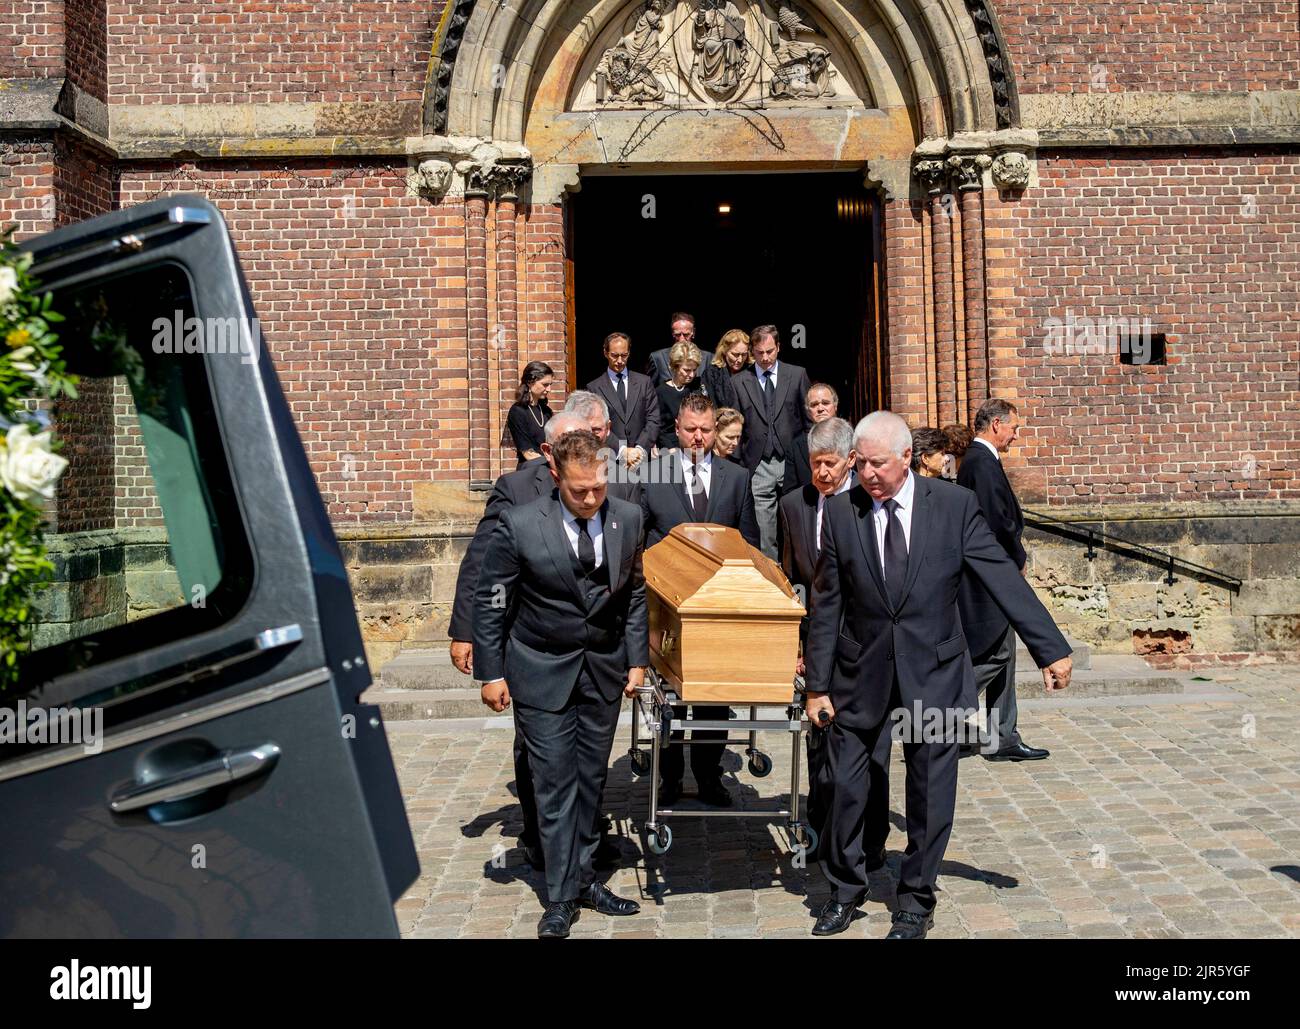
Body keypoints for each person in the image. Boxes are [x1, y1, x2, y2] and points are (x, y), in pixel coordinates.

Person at [803, 411, 1073, 939]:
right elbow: (826, 603)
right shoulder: (841, 514)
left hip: (936, 672)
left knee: (929, 793)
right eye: (861, 464)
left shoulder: (953, 507)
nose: (867, 474)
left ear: (907, 458)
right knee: (847, 788)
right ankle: (845, 890)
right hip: (861, 673)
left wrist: (1049, 648)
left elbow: (999, 575)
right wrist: (817, 684)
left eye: (878, 463)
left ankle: (914, 901)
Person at [448, 396, 637, 871]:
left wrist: (637, 656)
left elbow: (631, 583)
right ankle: (546, 851)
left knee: (586, 772)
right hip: (535, 652)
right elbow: (483, 568)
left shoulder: (618, 505)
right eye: (580, 439)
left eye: (597, 437)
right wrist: (469, 637)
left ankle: (583, 861)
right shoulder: (515, 492)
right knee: (542, 766)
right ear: (551, 454)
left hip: (596, 663)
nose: (590, 495)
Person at [474, 429, 647, 939]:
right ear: (556, 478)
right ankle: (562, 894)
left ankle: (588, 876)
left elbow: (634, 594)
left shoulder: (628, 519)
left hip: (602, 671)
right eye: (579, 491)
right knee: (553, 783)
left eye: (598, 488)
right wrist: (491, 671)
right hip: (539, 669)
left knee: (591, 781)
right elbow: (493, 599)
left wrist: (637, 660)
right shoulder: (521, 524)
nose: (591, 499)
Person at [639, 393, 760, 807]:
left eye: (706, 430)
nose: (698, 437)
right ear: (677, 428)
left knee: (713, 697)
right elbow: (640, 538)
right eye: (690, 429)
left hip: (717, 606)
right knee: (668, 697)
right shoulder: (653, 475)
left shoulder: (737, 477)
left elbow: (749, 542)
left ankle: (709, 778)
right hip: (666, 605)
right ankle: (669, 780)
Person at [777, 418, 887, 861]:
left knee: (867, 750)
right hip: (814, 646)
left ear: (851, 461)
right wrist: (797, 646)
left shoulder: (868, 504)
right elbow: (789, 578)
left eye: (830, 463)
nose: (822, 473)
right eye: (814, 464)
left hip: (863, 647)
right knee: (818, 743)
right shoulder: (793, 505)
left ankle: (871, 840)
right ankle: (823, 833)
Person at [957, 398, 1049, 762]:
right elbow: (996, 520)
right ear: (995, 424)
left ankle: (1004, 736)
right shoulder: (981, 462)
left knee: (1005, 657)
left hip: (991, 571)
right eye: (1013, 427)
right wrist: (1016, 558)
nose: (1015, 434)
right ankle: (941, 717)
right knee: (997, 653)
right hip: (991, 574)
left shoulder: (980, 460)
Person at [731, 324, 811, 559]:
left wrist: (809, 459)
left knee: (798, 519)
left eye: (769, 351)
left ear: (778, 348)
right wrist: (739, 464)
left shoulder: (797, 375)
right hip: (758, 463)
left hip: (792, 461)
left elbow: (808, 421)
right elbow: (735, 427)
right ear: (751, 353)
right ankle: (770, 575)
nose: (765, 358)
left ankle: (798, 571)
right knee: (763, 528)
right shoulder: (738, 382)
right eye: (759, 353)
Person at [587, 331, 659, 474]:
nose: (620, 360)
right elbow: (596, 425)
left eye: (624, 355)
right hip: (611, 460)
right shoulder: (594, 388)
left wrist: (639, 449)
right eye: (615, 355)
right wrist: (622, 451)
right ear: (605, 353)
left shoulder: (644, 382)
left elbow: (654, 419)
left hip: (642, 460)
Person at [782, 382, 839, 495]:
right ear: (808, 411)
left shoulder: (853, 440)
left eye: (825, 403)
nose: (820, 408)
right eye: (814, 405)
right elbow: (789, 492)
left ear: (835, 406)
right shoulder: (796, 447)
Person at [655, 341, 703, 450]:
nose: (691, 375)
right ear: (675, 367)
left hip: (700, 444)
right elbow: (660, 427)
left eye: (694, 370)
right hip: (674, 448)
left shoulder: (700, 385)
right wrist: (669, 448)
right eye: (686, 370)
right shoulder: (661, 392)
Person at [506, 361, 553, 467]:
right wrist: (555, 463)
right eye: (545, 385)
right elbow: (528, 453)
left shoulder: (546, 411)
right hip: (530, 471)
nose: (549, 389)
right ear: (530, 382)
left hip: (549, 468)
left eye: (550, 385)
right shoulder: (518, 411)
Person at [646, 311, 695, 388]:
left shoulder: (707, 358)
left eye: (686, 335)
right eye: (677, 335)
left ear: (693, 333)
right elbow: (650, 391)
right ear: (672, 334)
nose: (681, 339)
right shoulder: (658, 359)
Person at [700, 329, 746, 410]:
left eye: (744, 354)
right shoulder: (712, 374)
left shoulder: (751, 371)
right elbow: (709, 405)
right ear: (724, 351)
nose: (740, 360)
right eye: (735, 354)